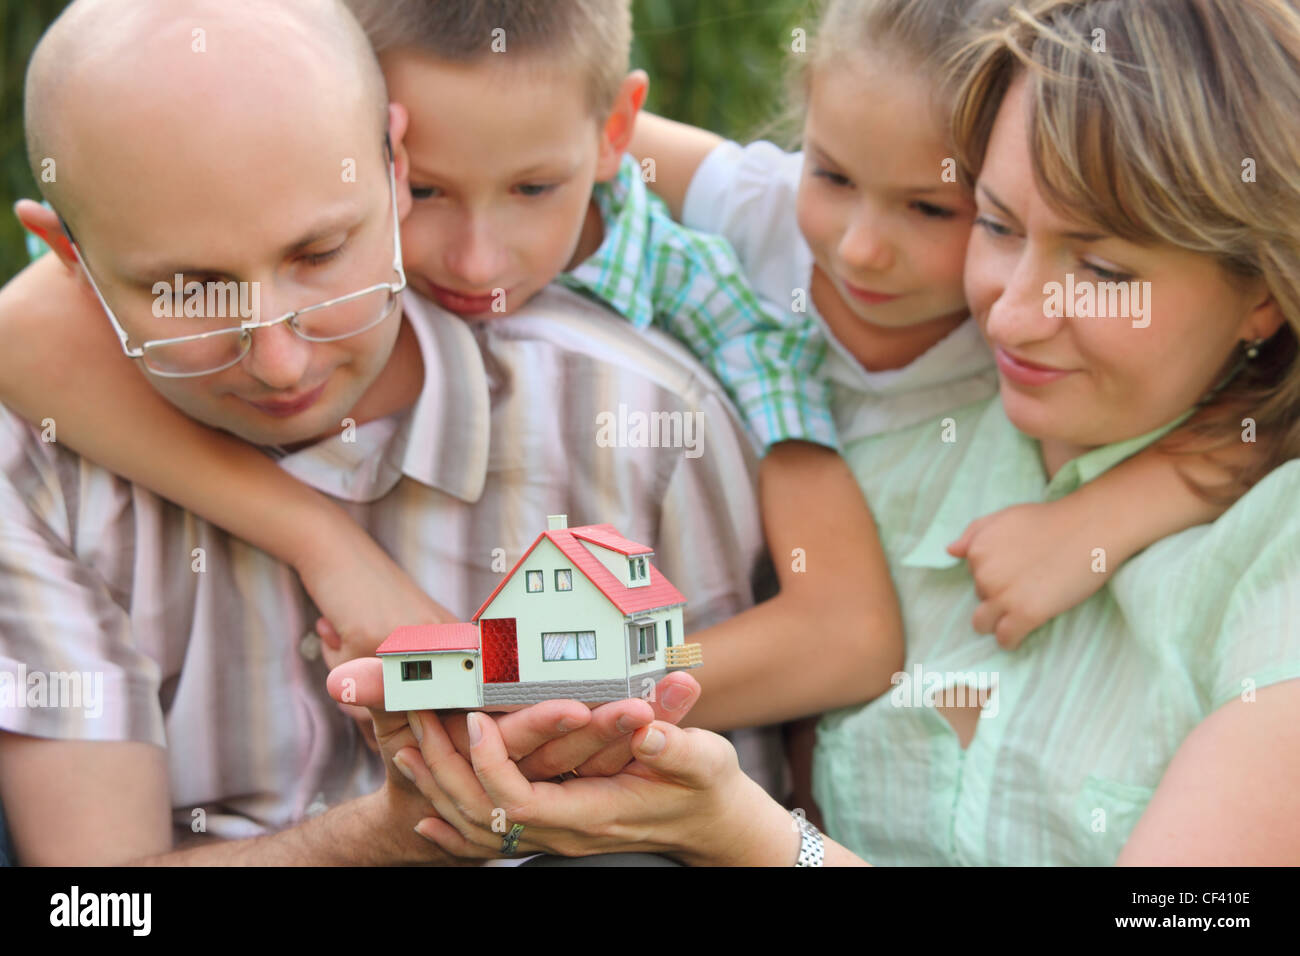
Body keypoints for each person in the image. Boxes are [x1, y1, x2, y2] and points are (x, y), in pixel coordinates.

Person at [384, 0, 1300, 865]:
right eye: (995, 223)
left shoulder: (1270, 567)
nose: (1011, 317)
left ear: (1263, 288)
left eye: (1102, 268)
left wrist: (759, 840)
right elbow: (541, 119)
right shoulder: (908, 400)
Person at [1, 0, 902, 750]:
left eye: (535, 189)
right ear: (378, 147)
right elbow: (25, 325)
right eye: (428, 194)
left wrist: (511, 689)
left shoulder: (701, 303)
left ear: (613, 135)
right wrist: (322, 539)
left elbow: (847, 633)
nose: (477, 264)